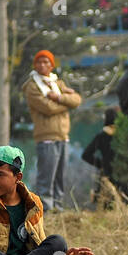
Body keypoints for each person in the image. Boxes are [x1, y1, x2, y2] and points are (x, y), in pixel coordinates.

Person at [23, 49, 82, 212]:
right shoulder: (32, 86)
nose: (42, 65)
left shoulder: (57, 83)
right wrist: (66, 103)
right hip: (46, 137)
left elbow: (77, 100)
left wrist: (58, 97)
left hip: (63, 136)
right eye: (39, 62)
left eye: (46, 62)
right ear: (35, 65)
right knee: (46, 178)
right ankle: (46, 211)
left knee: (60, 178)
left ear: (52, 65)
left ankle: (58, 209)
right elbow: (47, 108)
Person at [81, 107, 122, 193]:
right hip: (123, 174)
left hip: (106, 174)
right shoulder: (124, 135)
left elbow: (86, 155)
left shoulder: (102, 136)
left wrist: (101, 164)